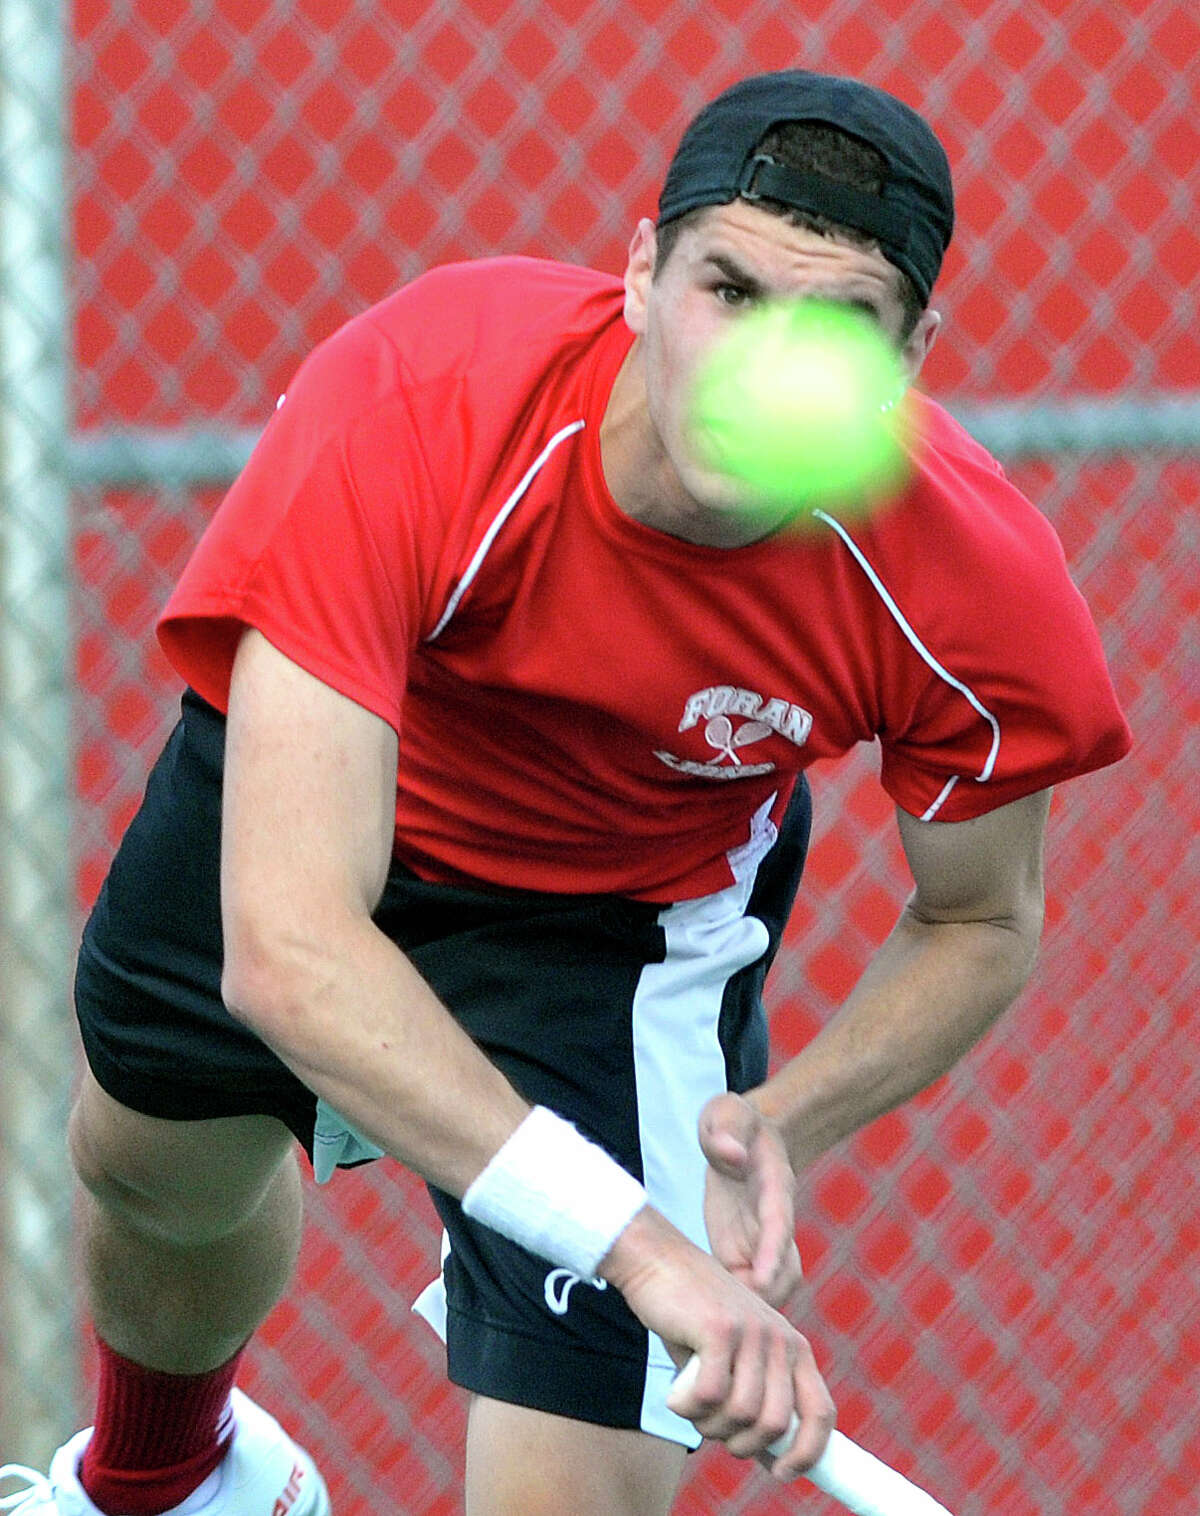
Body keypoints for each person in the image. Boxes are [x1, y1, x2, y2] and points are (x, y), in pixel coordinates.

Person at [2, 67, 1129, 1516]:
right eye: (729, 288)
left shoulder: (965, 578)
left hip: (621, 921)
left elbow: (981, 916)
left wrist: (790, 1116)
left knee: (577, 1483)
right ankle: (174, 1482)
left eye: (837, 325)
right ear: (642, 274)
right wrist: (643, 1249)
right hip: (356, 785)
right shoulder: (421, 400)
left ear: (913, 356)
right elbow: (289, 951)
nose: (758, 366)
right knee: (149, 1167)